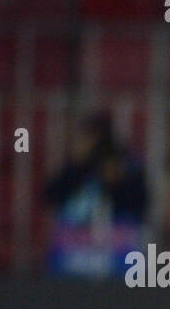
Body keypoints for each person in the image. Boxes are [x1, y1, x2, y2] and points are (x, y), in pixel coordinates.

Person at [43, 111, 147, 277]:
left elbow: (140, 206)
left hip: (116, 247)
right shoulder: (76, 167)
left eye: (91, 137)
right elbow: (50, 196)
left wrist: (115, 182)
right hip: (73, 248)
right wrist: (77, 168)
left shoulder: (127, 166)